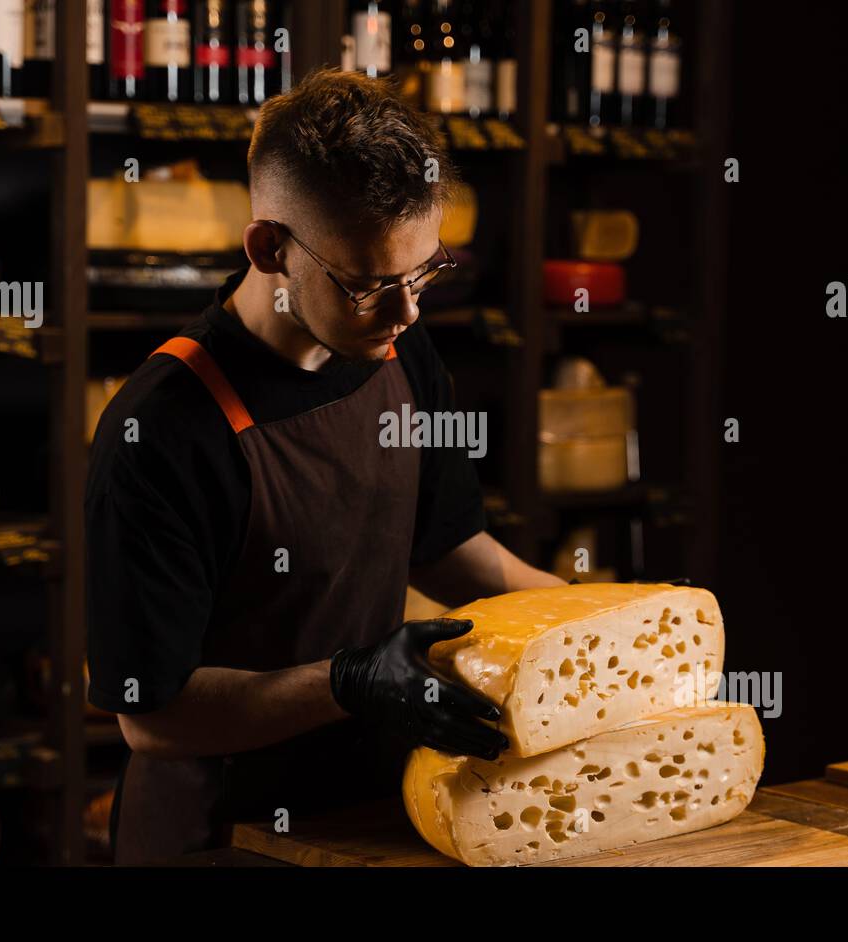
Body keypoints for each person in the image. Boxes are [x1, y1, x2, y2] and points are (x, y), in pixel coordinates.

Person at [86, 69, 566, 864]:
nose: (408, 312)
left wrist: (616, 617)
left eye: (425, 272)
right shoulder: (163, 430)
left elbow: (451, 552)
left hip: (369, 818)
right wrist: (348, 682)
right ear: (271, 248)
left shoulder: (404, 355)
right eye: (371, 283)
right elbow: (151, 716)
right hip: (218, 834)